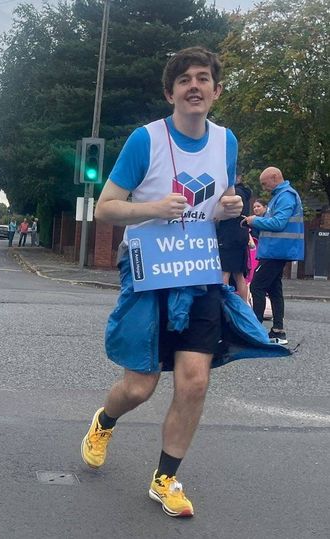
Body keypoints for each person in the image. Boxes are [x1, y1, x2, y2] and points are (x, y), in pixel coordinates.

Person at [79, 47, 289, 518]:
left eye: (203, 79)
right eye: (184, 80)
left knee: (194, 382)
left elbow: (219, 201)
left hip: (198, 271)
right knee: (140, 386)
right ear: (170, 91)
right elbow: (106, 206)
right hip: (149, 271)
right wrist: (152, 208)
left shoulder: (226, 140)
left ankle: (166, 478)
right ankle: (105, 420)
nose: (194, 86)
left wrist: (229, 207)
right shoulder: (145, 140)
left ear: (215, 90)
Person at [244, 167, 304, 345]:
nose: (264, 188)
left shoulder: (285, 195)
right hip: (277, 250)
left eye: (265, 183)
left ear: (275, 177)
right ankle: (278, 331)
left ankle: (256, 332)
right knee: (275, 290)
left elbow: (278, 223)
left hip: (276, 251)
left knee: (257, 286)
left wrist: (255, 220)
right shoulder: (281, 196)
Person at [217, 180, 252, 299]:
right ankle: (244, 305)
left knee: (224, 272)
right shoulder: (245, 194)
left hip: (228, 237)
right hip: (242, 236)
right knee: (239, 274)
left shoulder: (232, 193)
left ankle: (224, 305)